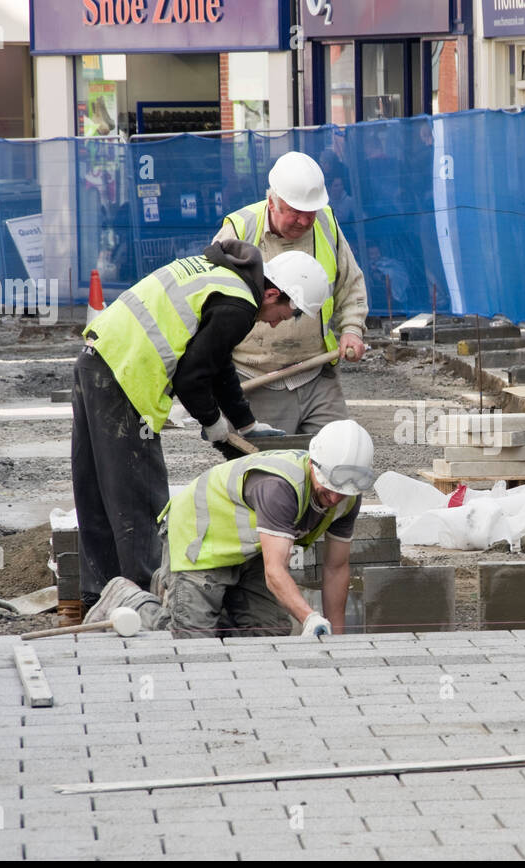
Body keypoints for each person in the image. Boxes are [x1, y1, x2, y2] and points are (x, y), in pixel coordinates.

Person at [71, 240, 329, 611]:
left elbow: (216, 361)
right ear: (271, 293)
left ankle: (98, 595)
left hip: (95, 362)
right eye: (285, 313)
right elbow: (192, 378)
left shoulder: (224, 278)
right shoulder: (239, 304)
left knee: (96, 491)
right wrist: (212, 424)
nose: (277, 323)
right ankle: (149, 606)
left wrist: (245, 423)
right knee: (142, 499)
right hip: (125, 377)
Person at [84, 420, 377, 639]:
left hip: (248, 550)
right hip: (201, 540)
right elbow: (276, 572)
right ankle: (129, 598)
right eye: (329, 489)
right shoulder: (279, 487)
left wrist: (338, 641)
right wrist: (311, 618)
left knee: (268, 633)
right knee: (191, 641)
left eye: (344, 492)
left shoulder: (346, 496)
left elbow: (336, 569)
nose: (336, 497)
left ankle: (203, 614)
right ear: (315, 465)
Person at [211, 151, 369, 435]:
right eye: (295, 212)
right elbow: (209, 308)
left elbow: (350, 283)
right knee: (266, 472)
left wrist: (352, 330)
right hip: (254, 379)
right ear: (272, 202)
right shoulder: (240, 230)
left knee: (340, 461)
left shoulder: (326, 224)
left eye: (311, 212)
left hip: (317, 376)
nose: (305, 221)